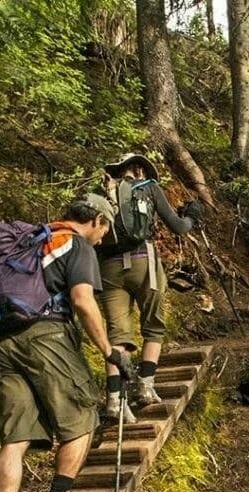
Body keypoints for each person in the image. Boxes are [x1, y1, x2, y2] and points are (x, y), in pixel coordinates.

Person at [0, 195, 135, 492]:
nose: (103, 239)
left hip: (2, 341)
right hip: (46, 335)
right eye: (105, 230)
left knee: (16, 436)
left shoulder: (32, 242)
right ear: (97, 221)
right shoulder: (76, 244)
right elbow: (83, 302)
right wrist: (109, 352)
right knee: (83, 417)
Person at [97, 153, 202, 423]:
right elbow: (177, 227)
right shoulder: (148, 189)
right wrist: (191, 217)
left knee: (117, 337)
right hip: (144, 261)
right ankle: (144, 385)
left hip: (108, 267)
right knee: (153, 325)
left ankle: (114, 400)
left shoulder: (103, 192)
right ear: (140, 170)